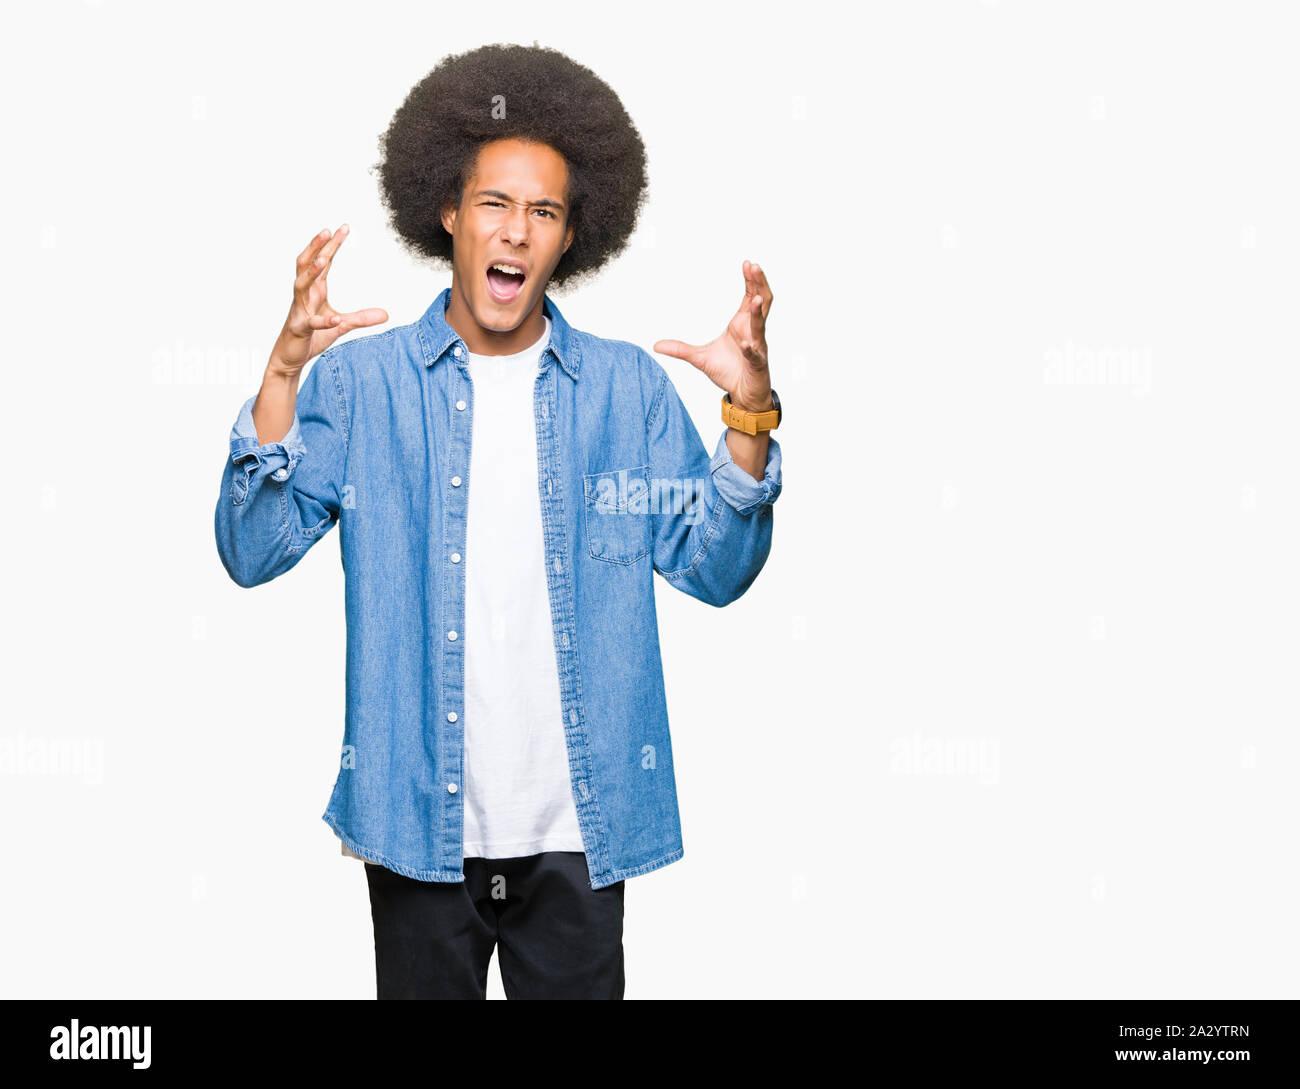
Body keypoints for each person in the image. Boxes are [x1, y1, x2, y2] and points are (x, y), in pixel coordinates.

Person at [214, 42, 783, 999]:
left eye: (544, 212)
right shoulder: (363, 384)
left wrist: (748, 422)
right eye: (495, 203)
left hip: (578, 833)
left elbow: (715, 568)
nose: (516, 232)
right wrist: (280, 378)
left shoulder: (625, 392)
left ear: (570, 238)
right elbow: (250, 549)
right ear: (448, 212)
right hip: (416, 827)